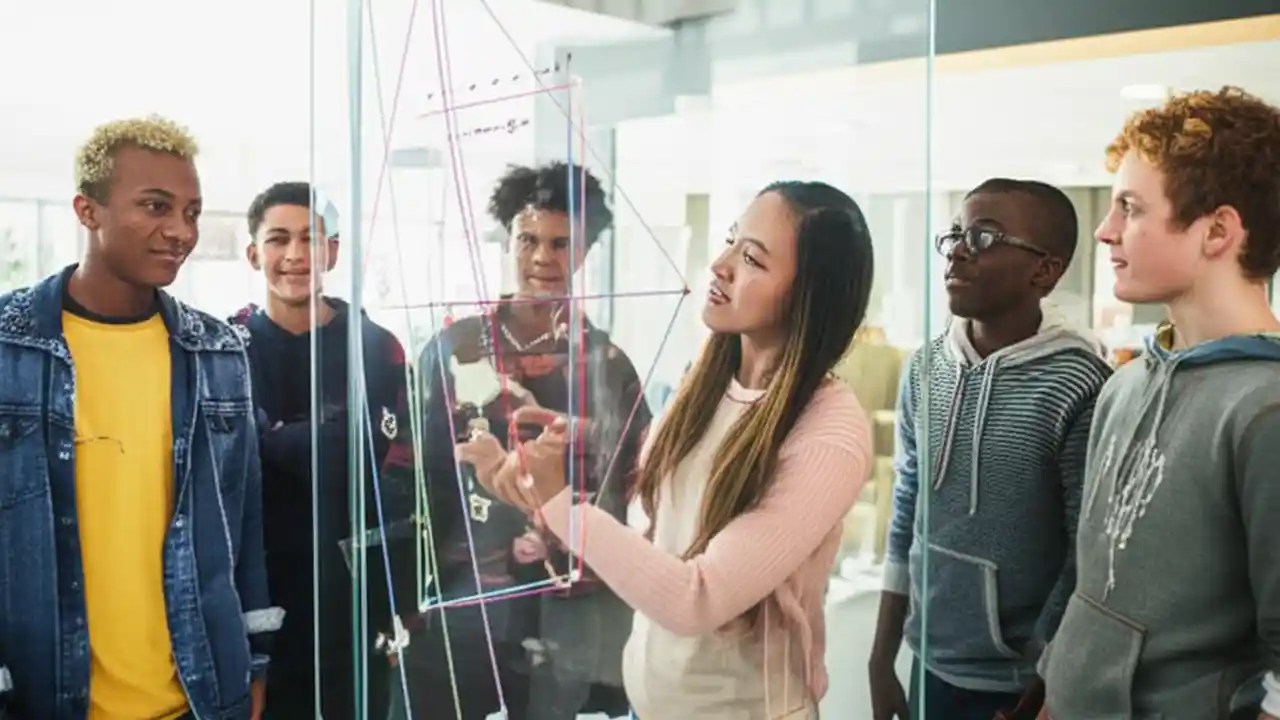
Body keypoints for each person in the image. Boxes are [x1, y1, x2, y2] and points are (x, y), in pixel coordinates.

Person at [461, 180, 875, 719]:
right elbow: (652, 528)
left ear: (809, 293)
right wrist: (553, 471)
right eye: (731, 240)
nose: (721, 265)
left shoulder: (828, 432)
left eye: (751, 257)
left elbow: (696, 597)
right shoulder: (703, 383)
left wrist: (558, 502)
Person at [0, 116, 277, 719]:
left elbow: (244, 524)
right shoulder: (8, 347)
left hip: (201, 698)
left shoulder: (218, 354)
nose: (179, 231)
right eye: (156, 206)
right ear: (87, 210)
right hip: (40, 697)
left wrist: (254, 660)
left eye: (192, 212)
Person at [1037, 87, 1280, 719]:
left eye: (1130, 208)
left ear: (1218, 231)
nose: (1105, 230)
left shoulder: (1266, 411)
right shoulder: (1123, 384)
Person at [401, 162, 650, 720]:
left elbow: (640, 480)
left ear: (584, 252)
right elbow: (418, 474)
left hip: (573, 606)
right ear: (508, 240)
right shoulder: (453, 349)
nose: (544, 257)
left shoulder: (608, 366)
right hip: (467, 596)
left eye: (562, 243)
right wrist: (405, 589)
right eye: (529, 239)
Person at [868, 178, 1111, 720]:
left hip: (1020, 683)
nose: (957, 249)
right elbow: (907, 514)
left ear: (1043, 270)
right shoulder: (925, 367)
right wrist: (881, 659)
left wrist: (1046, 684)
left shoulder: (1080, 382)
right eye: (955, 233)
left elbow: (1085, 550)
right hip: (927, 662)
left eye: (983, 236)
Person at [229, 181, 416, 718]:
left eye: (310, 239)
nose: (294, 256)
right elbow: (229, 468)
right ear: (253, 253)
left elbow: (360, 462)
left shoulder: (375, 347)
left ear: (332, 251)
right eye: (278, 239)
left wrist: (272, 433)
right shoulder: (226, 346)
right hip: (254, 592)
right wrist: (324, 433)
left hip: (351, 598)